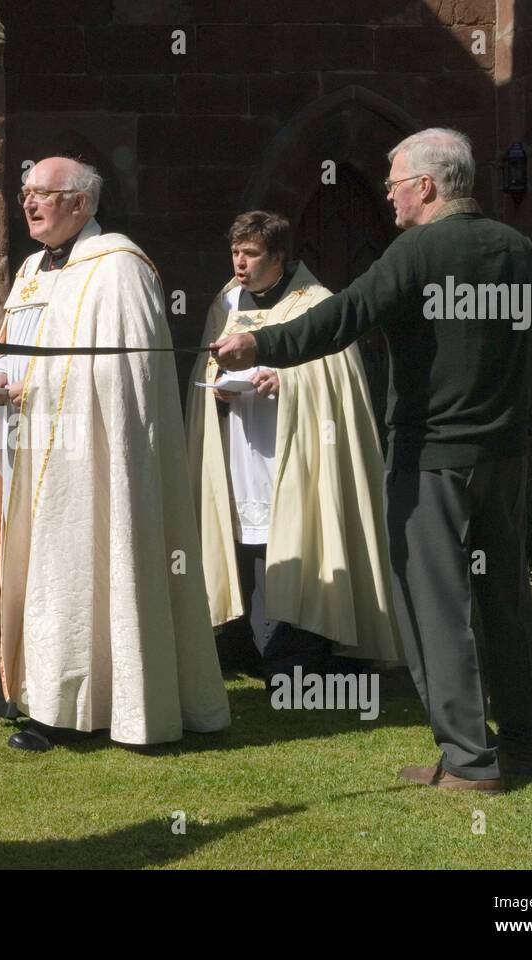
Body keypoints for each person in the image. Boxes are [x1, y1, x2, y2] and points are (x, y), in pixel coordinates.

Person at [211, 128, 532, 794]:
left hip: (430, 460)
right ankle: (522, 746)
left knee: (435, 608)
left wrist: (257, 344)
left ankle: (470, 762)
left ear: (427, 185)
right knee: (505, 602)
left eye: (393, 182)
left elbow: (342, 318)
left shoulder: (416, 251)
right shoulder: (514, 247)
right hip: (502, 459)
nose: (386, 194)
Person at [0, 156, 230, 750]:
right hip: (32, 446)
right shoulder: (31, 269)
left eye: (44, 194)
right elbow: (14, 348)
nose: (28, 204)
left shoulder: (119, 268)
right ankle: (40, 695)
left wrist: (41, 390)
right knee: (40, 568)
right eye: (25, 193)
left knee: (89, 568)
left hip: (96, 457)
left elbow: (131, 377)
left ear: (80, 204)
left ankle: (107, 708)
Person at [185, 211, 399, 679]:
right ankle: (244, 642)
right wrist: (218, 386)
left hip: (298, 447)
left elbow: (333, 379)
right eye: (236, 253)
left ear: (279, 256)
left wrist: (284, 380)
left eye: (252, 254)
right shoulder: (227, 302)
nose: (240, 263)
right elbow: (207, 364)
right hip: (238, 443)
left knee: (294, 534)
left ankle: (297, 649)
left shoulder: (315, 303)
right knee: (239, 537)